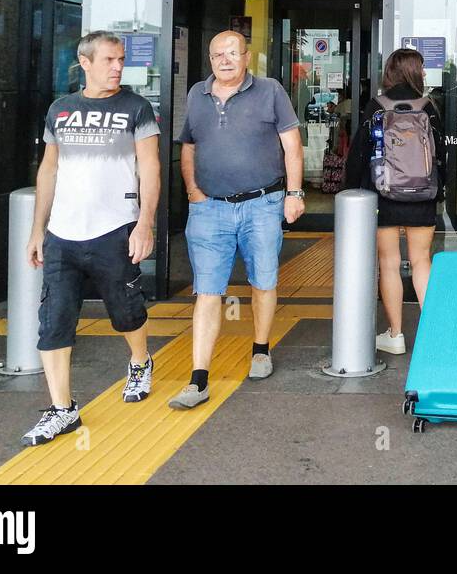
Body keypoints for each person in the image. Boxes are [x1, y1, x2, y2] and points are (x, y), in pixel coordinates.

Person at [22, 32, 160, 445]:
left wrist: (145, 222)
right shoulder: (61, 110)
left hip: (114, 229)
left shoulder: (136, 107)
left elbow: (150, 168)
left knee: (126, 312)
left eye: (120, 60)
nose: (118, 67)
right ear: (85, 63)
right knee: (54, 323)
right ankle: (62, 409)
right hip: (63, 234)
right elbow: (48, 171)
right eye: (109, 60)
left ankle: (139, 361)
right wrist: (37, 230)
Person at [168, 30, 305, 410]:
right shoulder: (197, 94)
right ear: (210, 59)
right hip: (210, 208)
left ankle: (260, 349)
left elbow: (292, 146)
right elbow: (189, 146)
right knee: (208, 290)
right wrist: (194, 194)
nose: (225, 60)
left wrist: (294, 194)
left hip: (262, 204)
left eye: (232, 53)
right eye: (217, 55)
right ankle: (198, 378)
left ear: (247, 56)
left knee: (263, 279)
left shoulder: (270, 90)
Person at [344, 47, 445, 354]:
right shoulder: (429, 107)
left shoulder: (377, 106)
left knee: (388, 264)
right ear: (414, 72)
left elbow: (360, 153)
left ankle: (396, 335)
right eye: (422, 68)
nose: (426, 73)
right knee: (421, 261)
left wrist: (351, 191)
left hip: (383, 195)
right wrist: (441, 191)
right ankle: (430, 336)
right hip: (423, 196)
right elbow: (441, 155)